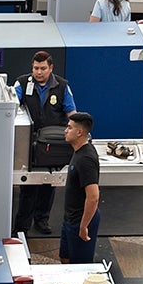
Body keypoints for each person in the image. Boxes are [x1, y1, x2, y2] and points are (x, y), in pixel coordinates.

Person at [13, 52, 76, 236]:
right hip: (29, 144)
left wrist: (80, 134)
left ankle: (42, 220)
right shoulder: (22, 83)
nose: (38, 72)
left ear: (51, 68)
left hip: (52, 145)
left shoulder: (62, 86)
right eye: (35, 68)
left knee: (49, 184)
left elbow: (71, 113)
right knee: (28, 186)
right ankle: (21, 226)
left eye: (42, 69)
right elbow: (11, 105)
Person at [58, 113, 100, 265]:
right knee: (65, 258)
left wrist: (83, 226)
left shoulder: (85, 159)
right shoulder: (78, 151)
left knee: (80, 267)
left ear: (80, 132)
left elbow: (93, 196)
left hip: (81, 221)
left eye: (69, 127)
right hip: (70, 218)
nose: (65, 130)